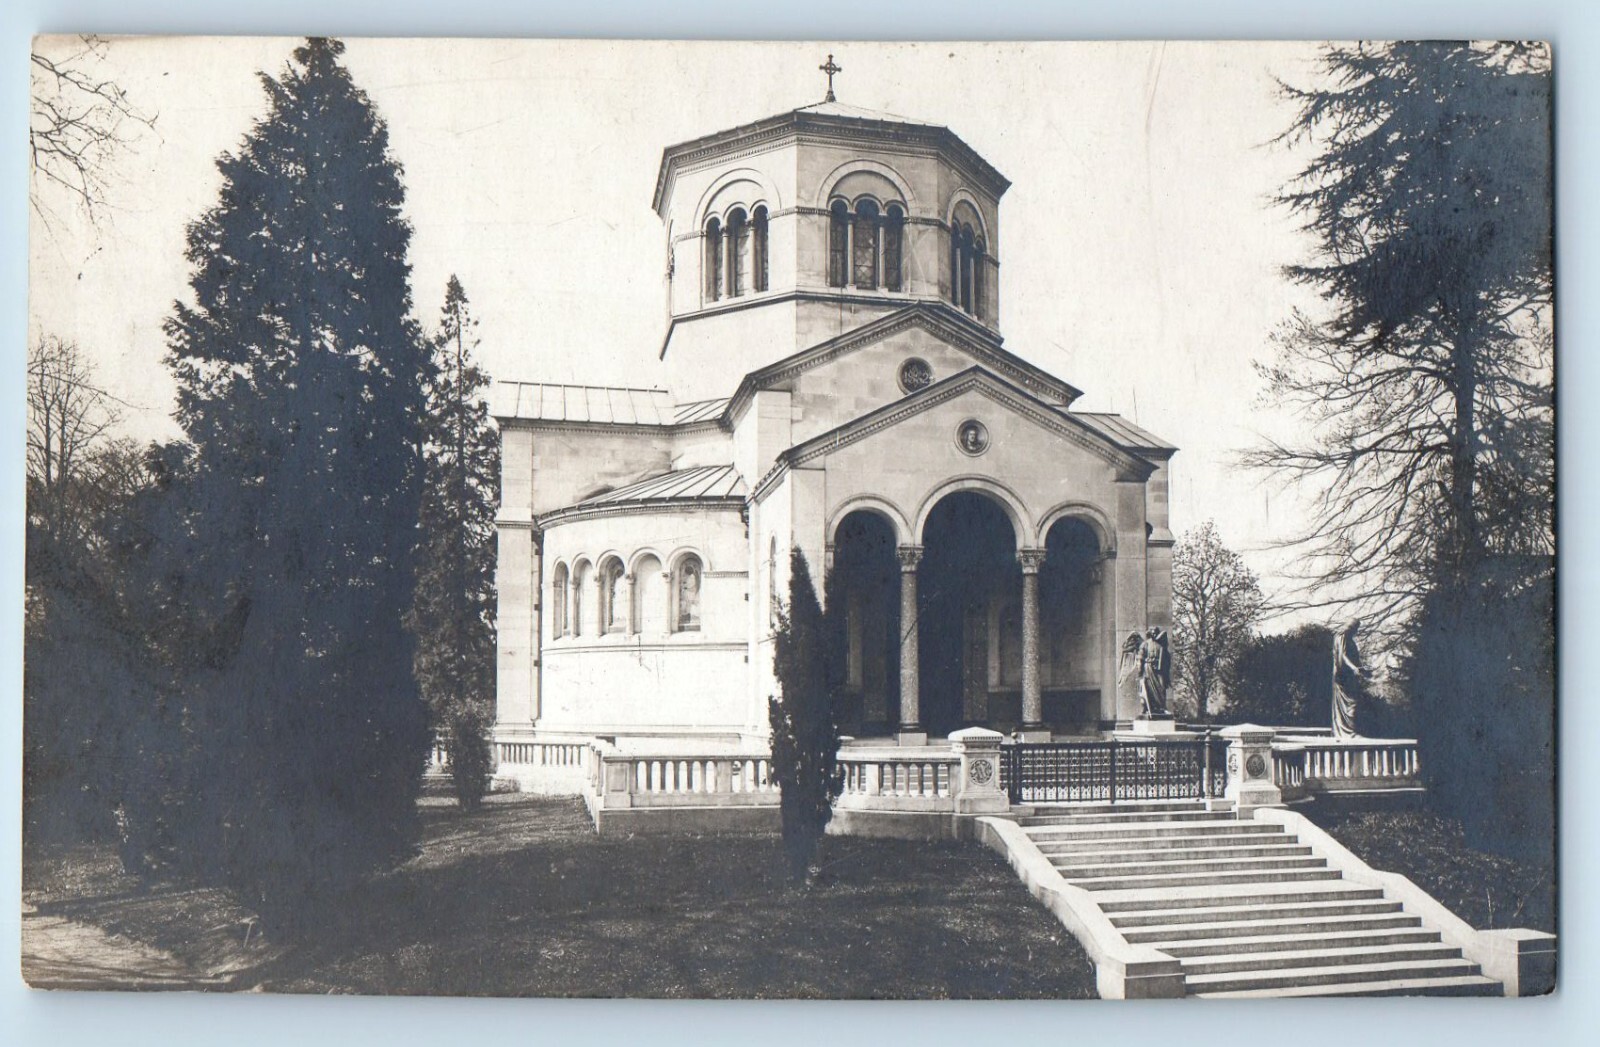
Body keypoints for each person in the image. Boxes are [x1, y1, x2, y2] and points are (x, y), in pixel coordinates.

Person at [1332, 618, 1366, 739]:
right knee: (1351, 703)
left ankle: (1349, 731)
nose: (1356, 631)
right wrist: (1354, 668)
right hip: (1342, 677)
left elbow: (1354, 658)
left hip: (1349, 676)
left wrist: (1361, 668)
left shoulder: (1350, 640)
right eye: (1356, 628)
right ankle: (1348, 732)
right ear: (1351, 627)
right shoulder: (1342, 637)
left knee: (1353, 702)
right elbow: (1343, 656)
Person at [1137, 626, 1171, 717]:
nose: (1154, 634)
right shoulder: (1145, 644)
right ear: (1150, 633)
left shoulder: (1161, 645)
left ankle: (1162, 708)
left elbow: (1166, 659)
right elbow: (1140, 658)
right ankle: (1147, 708)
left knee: (1162, 687)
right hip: (1148, 668)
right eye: (1153, 632)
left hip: (1159, 670)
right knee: (1148, 689)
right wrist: (1140, 670)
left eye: (1156, 632)